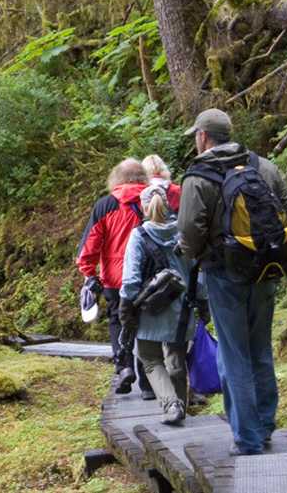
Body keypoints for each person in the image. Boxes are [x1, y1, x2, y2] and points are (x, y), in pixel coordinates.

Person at [177, 108, 287, 455]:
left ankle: (247, 439)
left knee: (233, 354)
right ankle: (264, 425)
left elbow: (189, 234)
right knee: (260, 349)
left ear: (202, 137)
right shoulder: (263, 166)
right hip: (266, 271)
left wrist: (196, 252)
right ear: (228, 134)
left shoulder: (198, 176)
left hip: (224, 275)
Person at [119, 185, 204, 424]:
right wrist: (202, 301)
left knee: (150, 359)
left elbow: (131, 279)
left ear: (144, 208)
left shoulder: (139, 235)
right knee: (176, 360)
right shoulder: (183, 232)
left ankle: (171, 406)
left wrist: (126, 308)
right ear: (167, 205)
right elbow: (198, 270)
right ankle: (181, 409)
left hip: (149, 311)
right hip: (182, 310)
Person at [76, 158, 154, 397]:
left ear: (116, 178)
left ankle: (124, 367)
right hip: (149, 275)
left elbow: (89, 245)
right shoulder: (153, 199)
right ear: (142, 176)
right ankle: (149, 384)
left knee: (117, 320)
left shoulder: (105, 205)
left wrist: (89, 272)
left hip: (115, 277)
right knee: (147, 324)